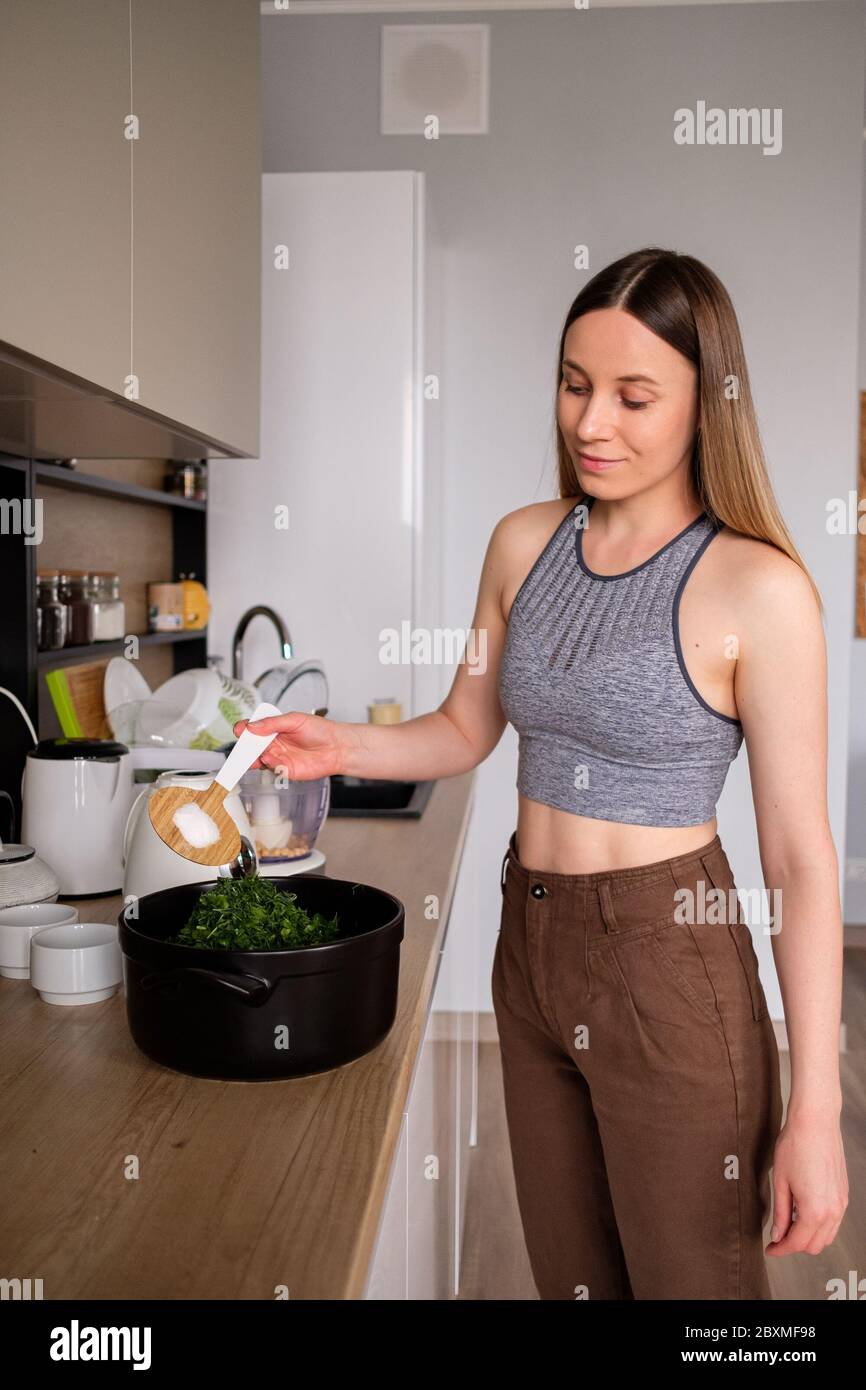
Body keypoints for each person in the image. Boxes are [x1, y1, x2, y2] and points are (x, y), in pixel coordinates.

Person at [234, 247, 848, 1300]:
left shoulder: (759, 589)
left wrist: (815, 1112)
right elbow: (463, 725)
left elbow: (797, 855)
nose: (588, 422)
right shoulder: (521, 545)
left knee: (694, 1294)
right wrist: (338, 743)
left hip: (669, 956)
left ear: (708, 405)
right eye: (573, 384)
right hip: (531, 943)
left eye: (632, 395)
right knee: (569, 1275)